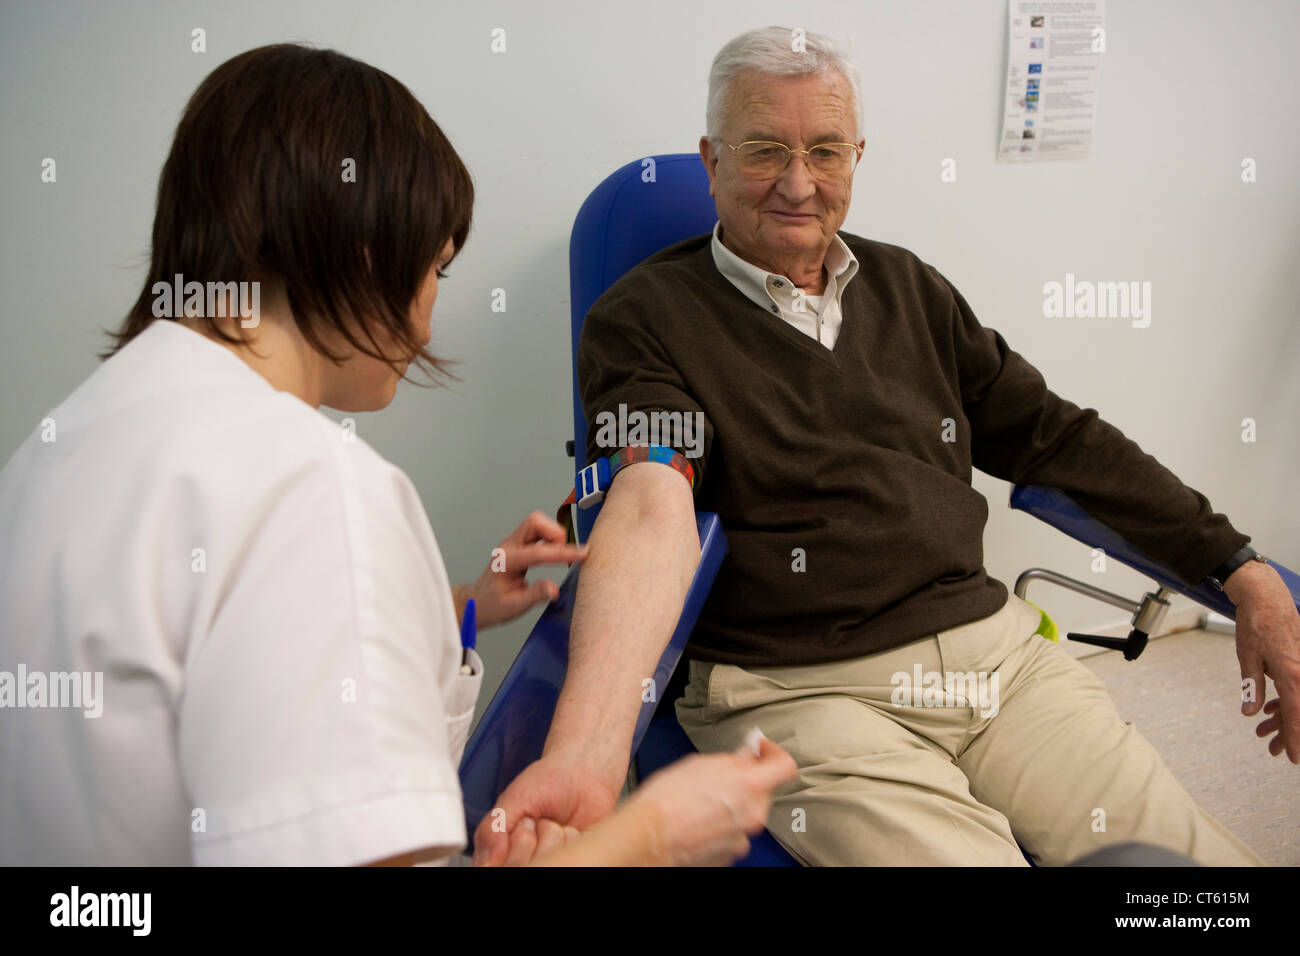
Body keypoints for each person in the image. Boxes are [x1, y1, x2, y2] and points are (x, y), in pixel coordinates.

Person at [474, 26, 1299, 867]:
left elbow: (1059, 437)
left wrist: (1238, 564)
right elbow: (650, 502)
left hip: (994, 658)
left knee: (1194, 876)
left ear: (857, 155)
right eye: (765, 150)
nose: (800, 183)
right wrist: (585, 759)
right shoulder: (644, 319)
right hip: (799, 688)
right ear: (711, 159)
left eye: (825, 150)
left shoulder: (910, 288)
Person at [0, 42, 796, 867]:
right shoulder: (312, 487)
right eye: (438, 271)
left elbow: (192, 641)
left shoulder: (58, 451)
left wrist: (450, 605)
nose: (424, 325)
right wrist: (653, 833)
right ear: (369, 251)